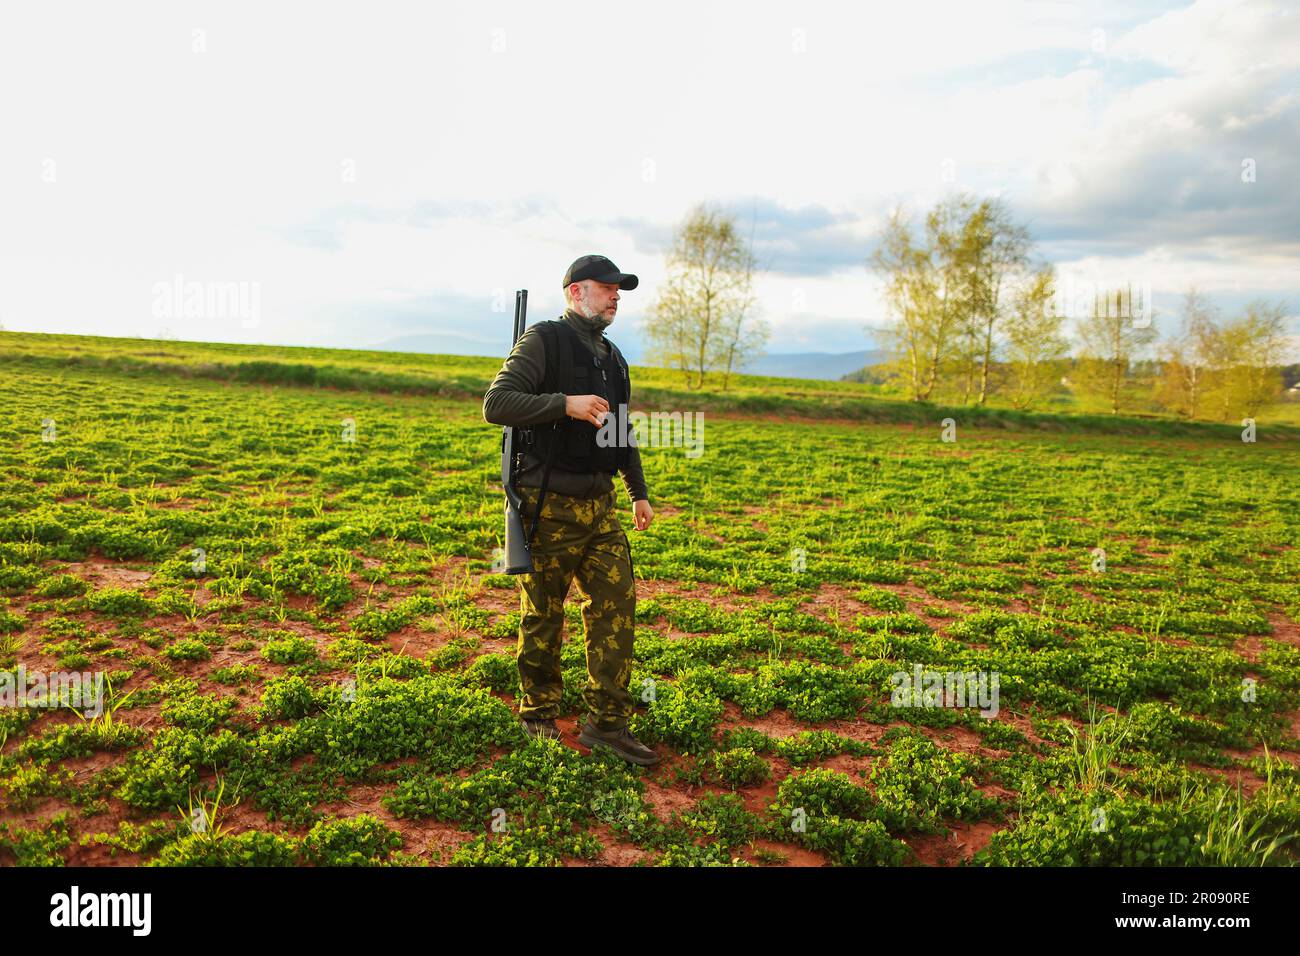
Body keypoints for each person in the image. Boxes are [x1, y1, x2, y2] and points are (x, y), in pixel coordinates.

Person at [482, 254, 659, 766]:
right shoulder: (543, 340)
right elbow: (497, 403)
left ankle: (606, 723)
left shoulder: (614, 357)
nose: (616, 296)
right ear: (576, 292)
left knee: (616, 609)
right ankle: (537, 712)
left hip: (600, 508)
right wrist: (564, 403)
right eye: (607, 288)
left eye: (619, 290)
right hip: (548, 505)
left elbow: (622, 429)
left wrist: (637, 491)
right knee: (544, 614)